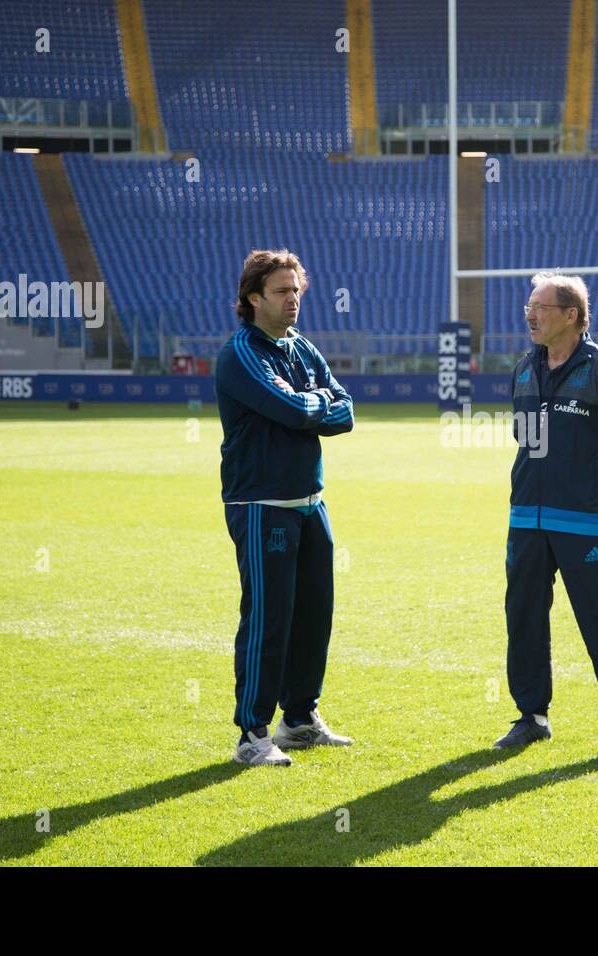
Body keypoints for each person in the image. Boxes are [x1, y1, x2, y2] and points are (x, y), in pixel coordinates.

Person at [498, 272, 598, 763]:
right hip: (526, 518)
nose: (530, 314)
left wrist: (596, 492)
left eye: (540, 307)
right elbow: (523, 440)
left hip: (586, 521)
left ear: (571, 315)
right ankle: (531, 717)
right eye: (528, 307)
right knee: (523, 618)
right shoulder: (524, 367)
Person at [215, 249, 355, 766]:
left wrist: (310, 403)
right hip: (261, 502)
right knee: (268, 617)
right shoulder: (242, 352)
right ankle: (252, 735)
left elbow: (346, 412)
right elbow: (297, 408)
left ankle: (298, 719)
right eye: (281, 290)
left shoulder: (300, 347)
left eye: (297, 289)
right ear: (253, 298)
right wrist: (312, 402)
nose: (293, 299)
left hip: (310, 501)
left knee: (314, 615)